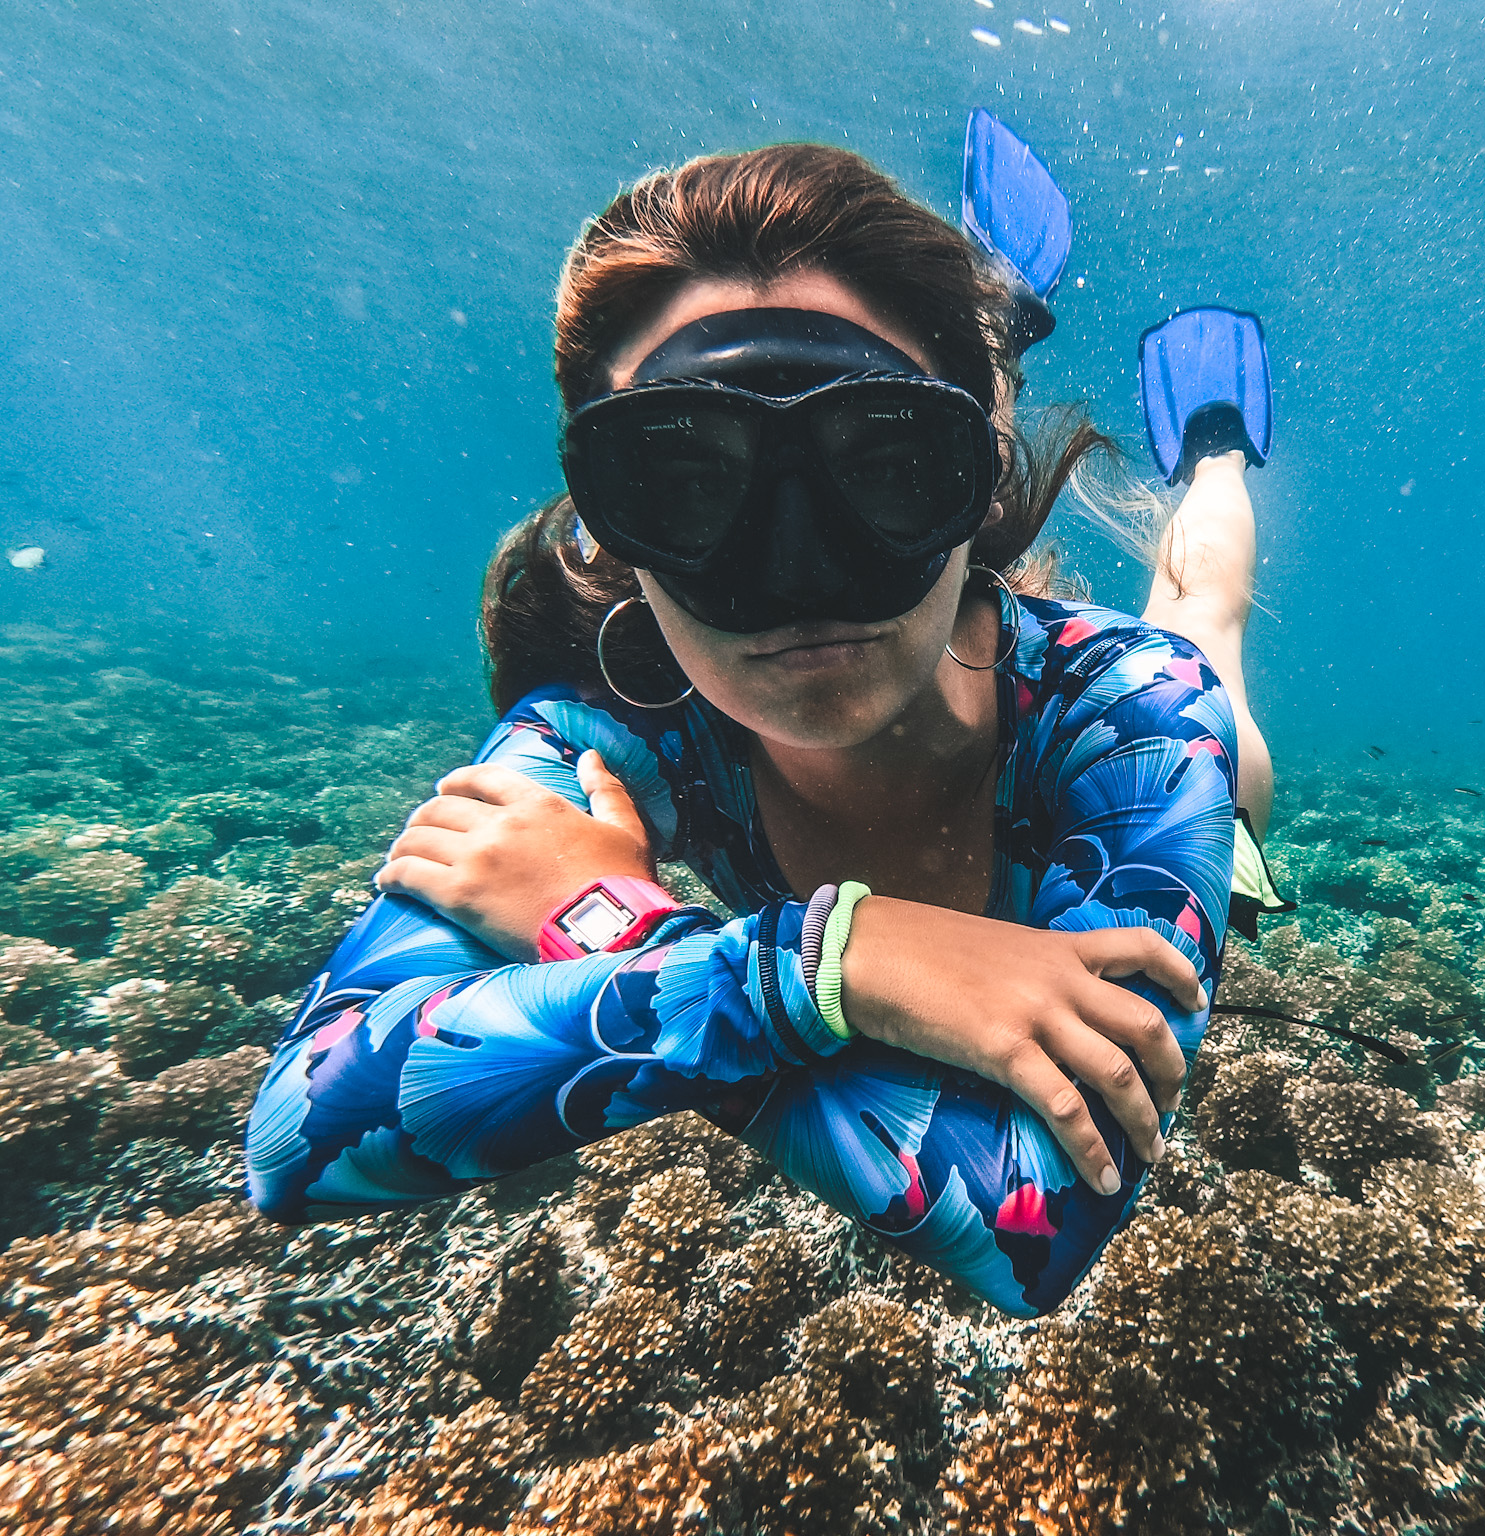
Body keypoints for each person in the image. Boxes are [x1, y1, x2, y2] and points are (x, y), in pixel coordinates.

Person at [245, 140, 1287, 1318]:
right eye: (688, 482)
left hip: (1178, 771)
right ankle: (966, 336)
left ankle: (1204, 443)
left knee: (1202, 621)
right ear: (614, 525)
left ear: (971, 487)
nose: (798, 582)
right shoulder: (613, 719)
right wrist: (831, 963)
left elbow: (1039, 1225)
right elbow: (298, 1132)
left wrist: (610, 920)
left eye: (893, 465)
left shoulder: (1136, 712)